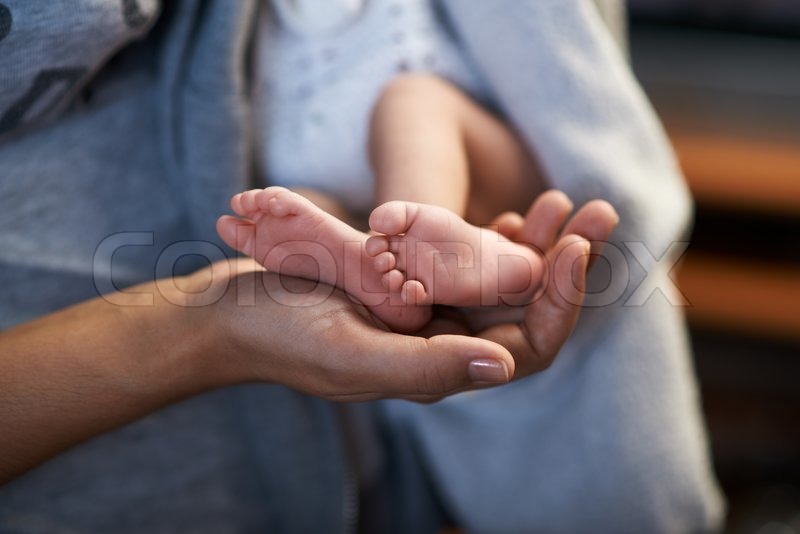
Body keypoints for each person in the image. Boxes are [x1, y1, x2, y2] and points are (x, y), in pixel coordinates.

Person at [0, 1, 723, 532]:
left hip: (399, 108)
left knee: (406, 130)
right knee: (356, 167)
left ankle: (409, 248)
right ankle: (395, 254)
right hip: (323, 120)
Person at [216, 74, 550, 333]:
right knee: (297, 208)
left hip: (477, 158)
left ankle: (423, 254)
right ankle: (379, 274)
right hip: (358, 214)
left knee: (411, 102)